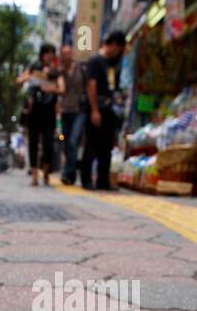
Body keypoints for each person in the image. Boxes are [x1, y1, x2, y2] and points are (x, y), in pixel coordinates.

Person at [80, 30, 126, 192]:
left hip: (108, 108)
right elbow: (90, 85)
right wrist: (94, 110)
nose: (118, 53)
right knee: (91, 143)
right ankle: (86, 179)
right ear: (114, 44)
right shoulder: (95, 61)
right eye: (119, 49)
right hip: (97, 106)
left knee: (106, 146)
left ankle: (102, 180)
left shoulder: (110, 63)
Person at [18, 43, 60, 186]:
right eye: (49, 53)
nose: (51, 56)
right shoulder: (33, 67)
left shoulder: (55, 70)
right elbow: (19, 80)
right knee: (33, 143)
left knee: (49, 144)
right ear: (43, 54)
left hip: (49, 112)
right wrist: (30, 77)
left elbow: (61, 88)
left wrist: (49, 88)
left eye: (52, 53)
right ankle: (35, 175)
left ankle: (46, 170)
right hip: (34, 110)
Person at [58, 43, 85, 185]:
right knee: (67, 143)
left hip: (79, 110)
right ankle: (70, 173)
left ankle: (68, 172)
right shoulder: (60, 72)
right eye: (64, 53)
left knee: (74, 141)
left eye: (69, 53)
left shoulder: (81, 68)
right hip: (65, 111)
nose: (67, 56)